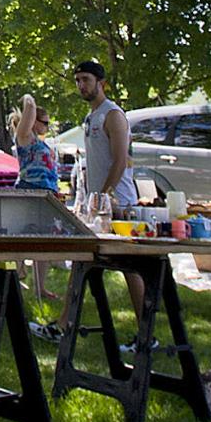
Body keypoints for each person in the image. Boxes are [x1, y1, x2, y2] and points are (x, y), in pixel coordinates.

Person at [74, 59, 145, 326]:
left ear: (101, 83)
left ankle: (146, 330)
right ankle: (65, 324)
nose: (81, 85)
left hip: (119, 204)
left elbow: (120, 161)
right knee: (81, 262)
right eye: (78, 80)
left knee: (131, 268)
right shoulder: (90, 117)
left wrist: (103, 196)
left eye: (86, 80)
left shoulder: (113, 115)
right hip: (98, 203)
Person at [11, 92, 60, 302]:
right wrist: (28, 98)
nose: (47, 127)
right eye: (45, 123)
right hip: (29, 191)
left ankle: (40, 287)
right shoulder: (24, 137)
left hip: (47, 194)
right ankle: (18, 276)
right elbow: (30, 107)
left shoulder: (39, 142)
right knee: (26, 237)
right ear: (33, 121)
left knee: (45, 240)